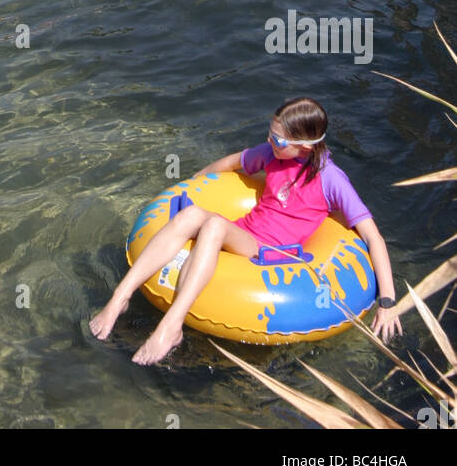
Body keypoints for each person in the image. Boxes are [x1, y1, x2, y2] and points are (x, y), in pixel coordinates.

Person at [89, 96, 401, 365]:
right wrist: (196, 179)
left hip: (270, 252)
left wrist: (387, 302)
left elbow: (373, 236)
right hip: (243, 232)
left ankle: (171, 327)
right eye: (270, 133)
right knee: (190, 215)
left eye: (278, 140)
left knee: (212, 224)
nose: (270, 142)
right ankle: (121, 296)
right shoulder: (273, 155)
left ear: (305, 146)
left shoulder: (332, 181)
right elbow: (233, 161)